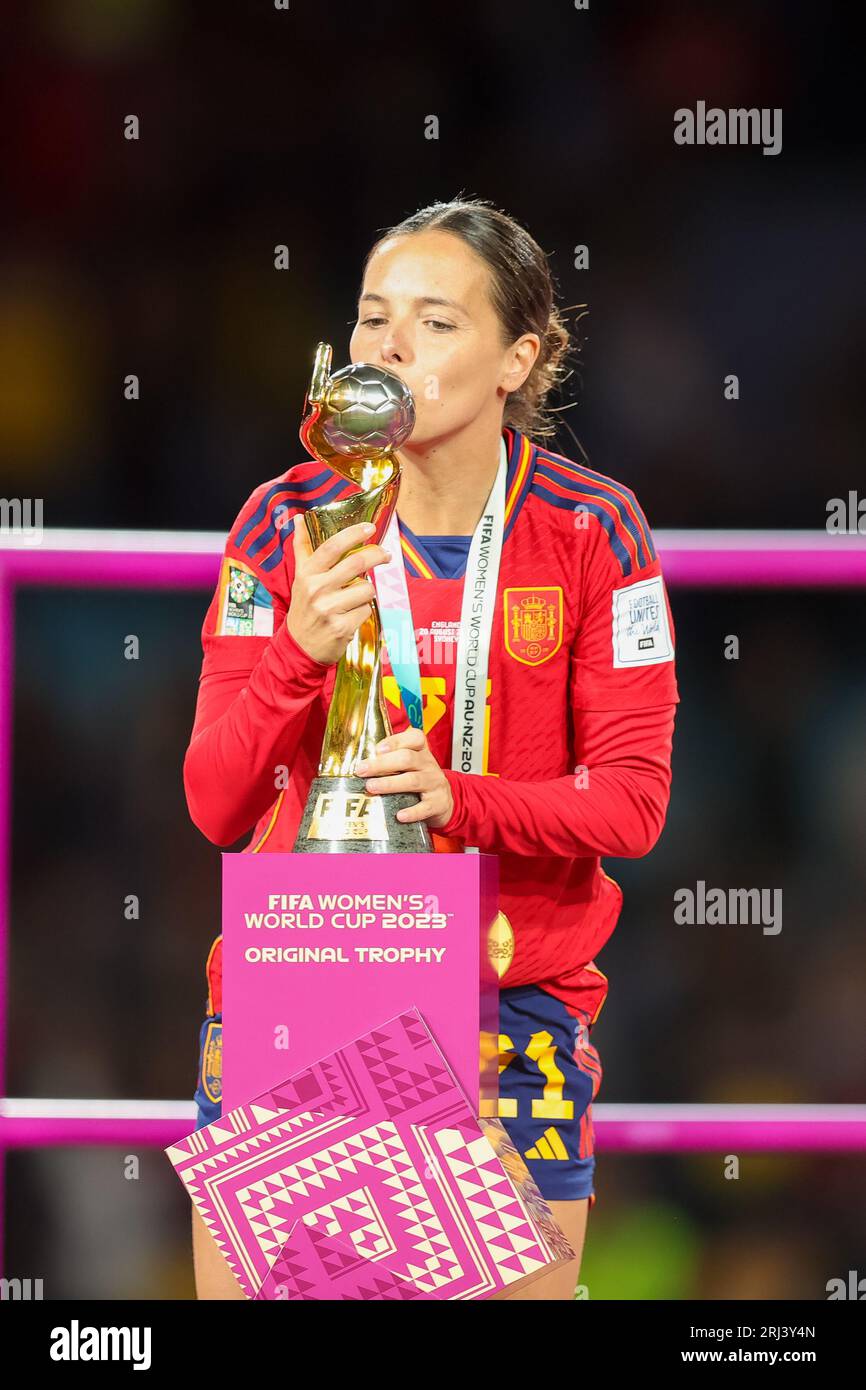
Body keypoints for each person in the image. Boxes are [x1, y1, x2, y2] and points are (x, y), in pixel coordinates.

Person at [183, 196, 679, 1300]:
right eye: (370, 318)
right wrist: (297, 656)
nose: (389, 347)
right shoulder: (284, 522)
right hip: (308, 970)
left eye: (435, 321)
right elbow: (214, 799)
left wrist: (459, 799)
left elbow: (632, 806)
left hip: (513, 996)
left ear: (518, 356)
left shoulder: (596, 529)